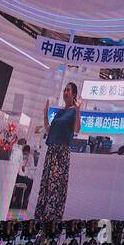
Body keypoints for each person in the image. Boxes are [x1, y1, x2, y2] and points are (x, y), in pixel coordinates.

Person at [36, 83, 82, 223]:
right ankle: (42, 216)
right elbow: (49, 130)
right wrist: (45, 114)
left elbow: (77, 129)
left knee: (55, 184)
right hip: (51, 151)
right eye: (64, 90)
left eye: (68, 90)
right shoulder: (60, 111)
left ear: (74, 94)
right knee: (47, 182)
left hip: (61, 152)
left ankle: (52, 217)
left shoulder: (74, 110)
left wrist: (79, 110)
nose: (65, 92)